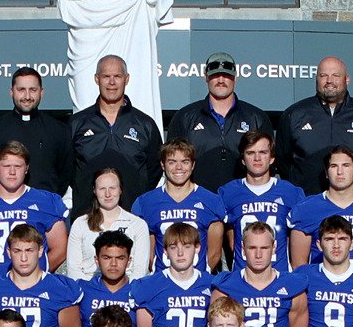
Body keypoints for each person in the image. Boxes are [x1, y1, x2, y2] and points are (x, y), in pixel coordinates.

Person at [166, 52, 277, 192]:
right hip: (199, 203)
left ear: (235, 77)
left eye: (226, 75)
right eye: (215, 75)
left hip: (243, 203)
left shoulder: (256, 117)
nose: (220, 80)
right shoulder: (184, 117)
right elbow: (171, 163)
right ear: (205, 77)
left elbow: (270, 165)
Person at [0, 141, 69, 278]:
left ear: (26, 168)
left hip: (34, 288)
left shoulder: (47, 202)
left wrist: (38, 274)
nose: (12, 172)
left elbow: (60, 249)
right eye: (6, 166)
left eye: (18, 166)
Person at [68, 54, 163, 212]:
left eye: (117, 76)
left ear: (126, 79)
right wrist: (85, 188)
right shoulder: (77, 123)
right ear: (96, 79)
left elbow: (154, 169)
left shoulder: (144, 124)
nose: (112, 82)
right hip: (88, 216)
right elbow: (67, 169)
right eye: (106, 76)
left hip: (133, 215)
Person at [280, 56, 353, 195]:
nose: (329, 81)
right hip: (308, 203)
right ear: (316, 78)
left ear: (347, 79)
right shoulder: (294, 114)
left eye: (336, 75)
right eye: (323, 76)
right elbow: (283, 162)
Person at [133, 222, 213, 327]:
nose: (180, 253)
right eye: (173, 247)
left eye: (186, 246)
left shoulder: (211, 285)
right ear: (165, 252)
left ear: (197, 248)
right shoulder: (149, 286)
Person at [132, 140, 224, 272]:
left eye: (185, 162)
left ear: (193, 165)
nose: (178, 167)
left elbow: (214, 254)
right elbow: (148, 255)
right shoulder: (146, 202)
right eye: (172, 162)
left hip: (198, 282)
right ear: (162, 165)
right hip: (162, 282)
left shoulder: (211, 201)